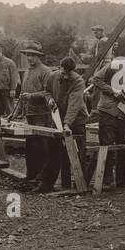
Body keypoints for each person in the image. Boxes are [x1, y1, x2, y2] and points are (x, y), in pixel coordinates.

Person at [38, 56, 89, 191]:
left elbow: (74, 104)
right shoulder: (52, 76)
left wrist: (67, 124)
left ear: (73, 71)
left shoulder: (78, 81)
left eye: (68, 74)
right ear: (60, 68)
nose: (65, 76)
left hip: (77, 119)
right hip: (58, 118)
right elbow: (47, 91)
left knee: (79, 153)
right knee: (53, 151)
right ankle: (46, 184)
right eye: (63, 73)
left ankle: (80, 184)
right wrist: (49, 100)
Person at [92, 55, 125, 190]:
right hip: (108, 112)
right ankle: (106, 179)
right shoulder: (114, 65)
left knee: (124, 145)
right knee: (107, 146)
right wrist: (113, 91)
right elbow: (96, 79)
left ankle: (123, 179)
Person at [16, 42, 54, 190]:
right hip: (30, 114)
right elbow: (22, 94)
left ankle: (42, 178)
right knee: (30, 146)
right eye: (28, 55)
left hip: (42, 115)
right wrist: (18, 111)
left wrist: (31, 96)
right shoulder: (27, 71)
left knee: (43, 147)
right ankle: (31, 176)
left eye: (33, 55)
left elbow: (48, 93)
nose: (29, 58)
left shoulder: (46, 71)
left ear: (39, 56)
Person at [0, 44, 20, 119]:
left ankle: (12, 123)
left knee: (9, 110)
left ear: (1, 52)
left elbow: (14, 76)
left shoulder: (10, 63)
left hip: (7, 90)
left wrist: (13, 89)